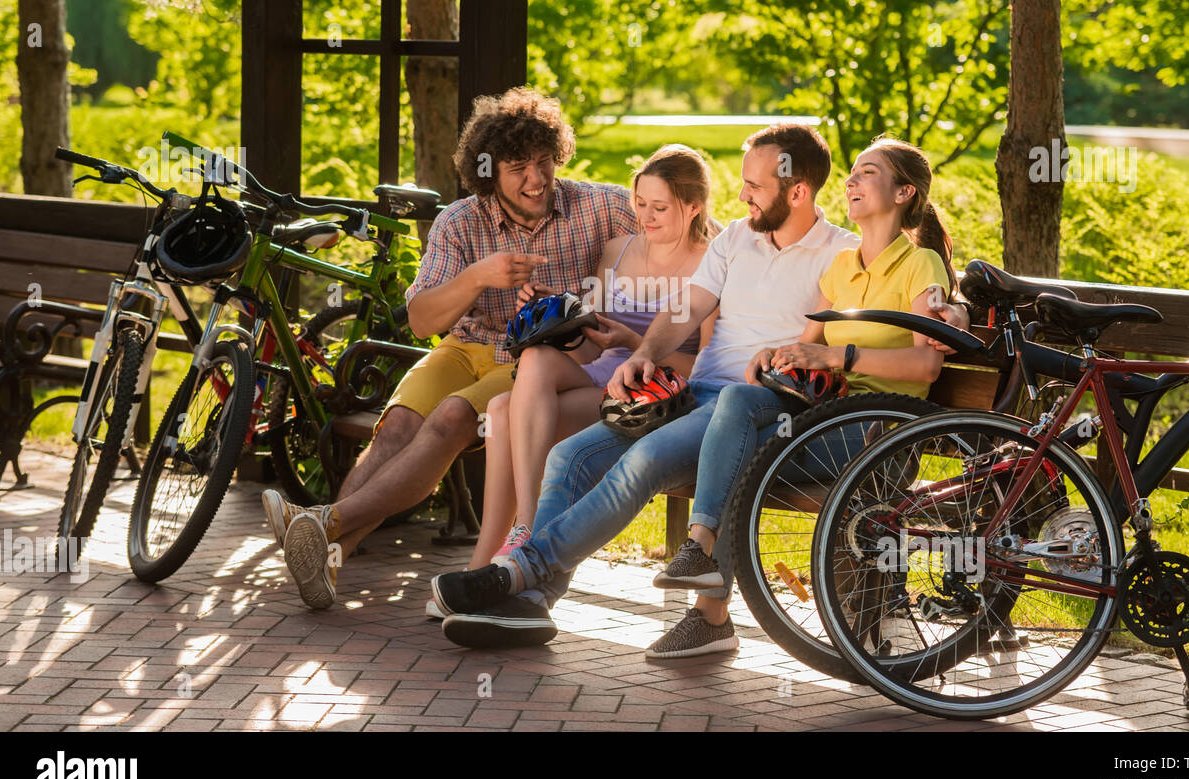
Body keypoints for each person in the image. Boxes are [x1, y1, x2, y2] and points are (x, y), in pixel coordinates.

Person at [429, 124, 970, 650]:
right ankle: (530, 604)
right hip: (694, 398)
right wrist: (642, 355)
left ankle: (519, 577)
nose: (740, 197)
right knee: (570, 457)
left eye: (754, 186)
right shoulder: (751, 241)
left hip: (766, 411)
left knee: (642, 463)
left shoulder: (840, 252)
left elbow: (916, 314)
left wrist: (953, 313)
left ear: (797, 191)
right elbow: (690, 309)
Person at [261, 87, 637, 610]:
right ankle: (331, 552)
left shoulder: (603, 206)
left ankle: (325, 522)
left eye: (544, 162)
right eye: (517, 167)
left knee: (452, 417)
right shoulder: (460, 221)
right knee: (395, 425)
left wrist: (581, 305)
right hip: (465, 347)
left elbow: (675, 244)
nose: (536, 179)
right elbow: (421, 322)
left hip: (534, 363)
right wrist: (480, 277)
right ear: (489, 174)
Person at [647, 136, 957, 656]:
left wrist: (841, 357)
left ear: (904, 193)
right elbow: (806, 347)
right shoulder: (842, 267)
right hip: (831, 420)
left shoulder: (920, 264)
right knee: (741, 403)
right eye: (852, 173)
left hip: (882, 430)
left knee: (745, 457)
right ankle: (701, 554)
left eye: (869, 174)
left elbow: (927, 362)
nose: (852, 182)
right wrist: (773, 356)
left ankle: (710, 615)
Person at [461, 145, 719, 578]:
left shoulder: (711, 264)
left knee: (504, 412)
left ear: (693, 207)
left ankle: (509, 545)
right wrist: (558, 316)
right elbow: (592, 342)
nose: (646, 216)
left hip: (652, 393)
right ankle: (513, 540)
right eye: (640, 204)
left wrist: (637, 344)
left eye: (660, 207)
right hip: (603, 370)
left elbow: (703, 369)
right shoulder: (618, 251)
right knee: (533, 363)